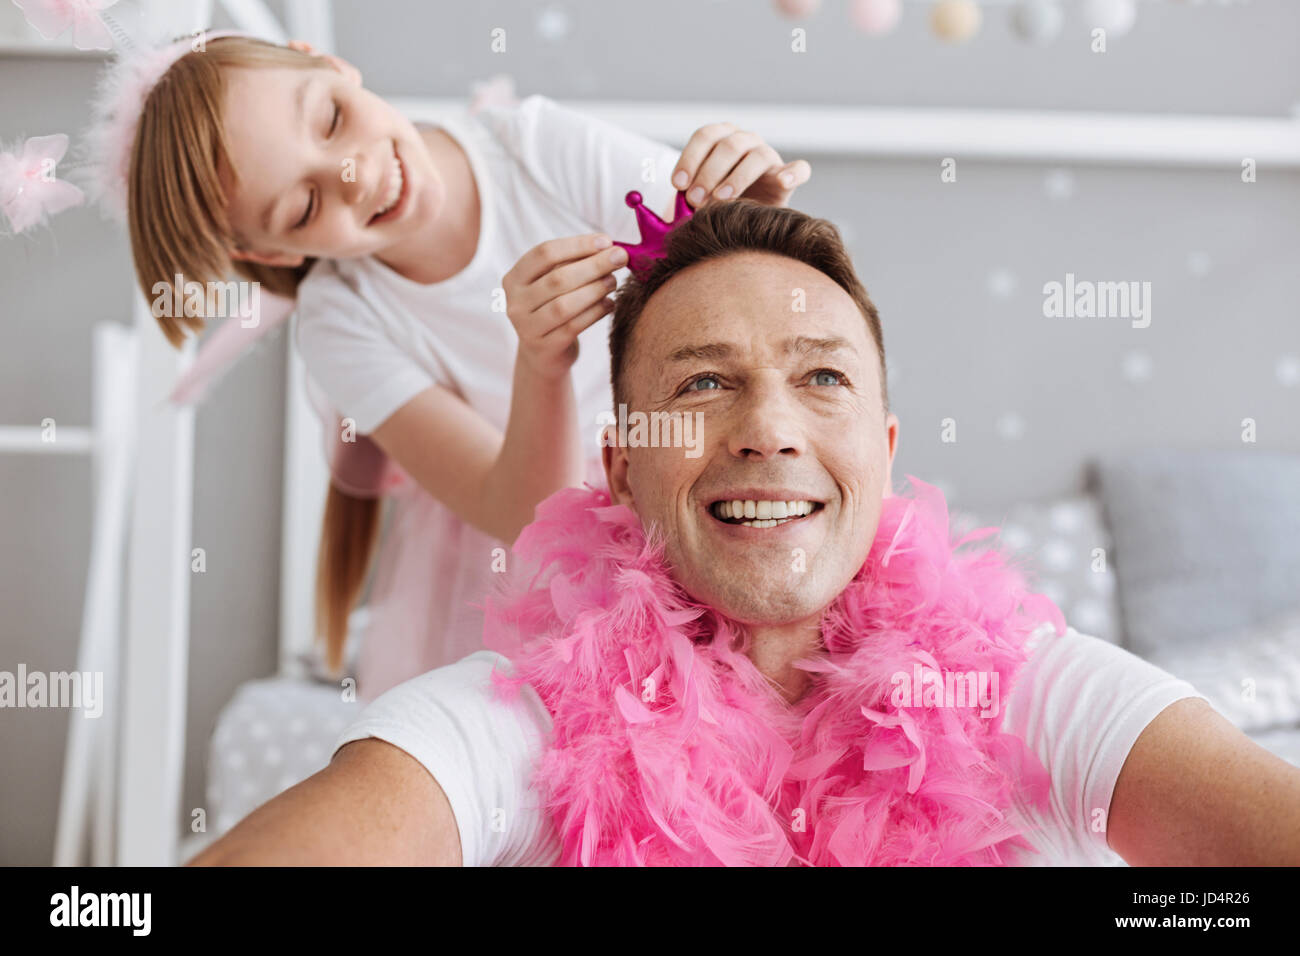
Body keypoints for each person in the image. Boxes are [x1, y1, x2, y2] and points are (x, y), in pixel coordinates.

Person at [189, 199, 1300, 866]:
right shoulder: (515, 721)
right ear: (621, 468)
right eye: (705, 382)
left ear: (884, 448)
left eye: (822, 378)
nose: (769, 429)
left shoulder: (1022, 688)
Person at [109, 31, 810, 698]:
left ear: (325, 61)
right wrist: (540, 363)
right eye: (306, 205)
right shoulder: (341, 320)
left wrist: (755, 220)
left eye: (331, 119)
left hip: (708, 476)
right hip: (555, 554)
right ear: (271, 254)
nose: (357, 178)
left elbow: (740, 273)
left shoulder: (533, 145)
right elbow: (527, 516)